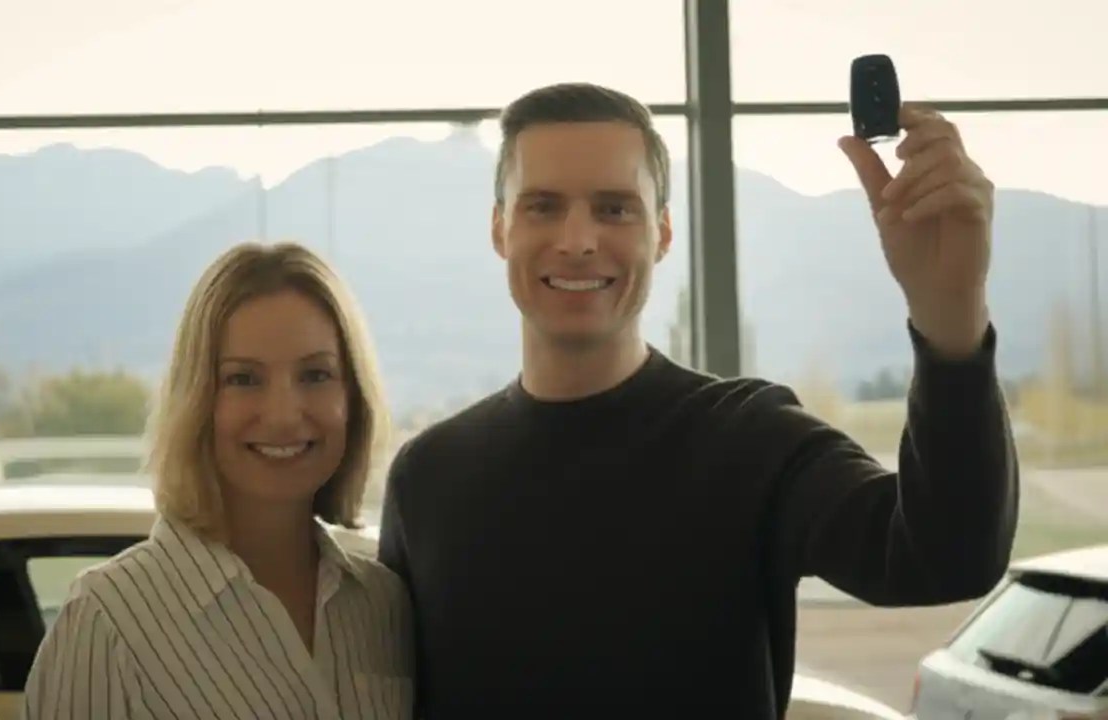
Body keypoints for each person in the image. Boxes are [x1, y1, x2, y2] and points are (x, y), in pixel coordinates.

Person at [378, 83, 1017, 718]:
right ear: (500, 228)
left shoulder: (752, 440)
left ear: (662, 233)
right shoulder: (427, 477)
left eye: (614, 209)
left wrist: (950, 313)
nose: (577, 240)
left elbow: (947, 556)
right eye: (542, 206)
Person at [23, 242, 414, 720]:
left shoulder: (384, 606)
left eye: (315, 375)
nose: (283, 414)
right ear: (196, 402)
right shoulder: (108, 621)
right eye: (243, 379)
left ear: (353, 398)